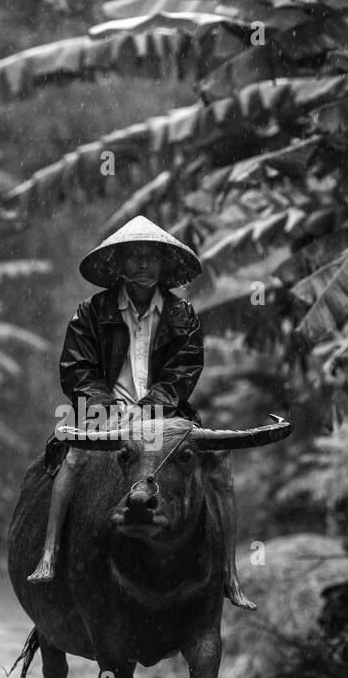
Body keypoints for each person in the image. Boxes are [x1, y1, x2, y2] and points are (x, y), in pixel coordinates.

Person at [26, 215, 255, 610]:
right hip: (104, 411)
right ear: (119, 265)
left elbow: (184, 370)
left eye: (152, 257)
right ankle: (49, 554)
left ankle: (229, 575)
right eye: (135, 257)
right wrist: (106, 407)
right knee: (74, 456)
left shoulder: (182, 314)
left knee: (220, 466)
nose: (144, 264)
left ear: (164, 266)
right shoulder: (92, 311)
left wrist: (151, 408)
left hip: (165, 415)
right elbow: (77, 369)